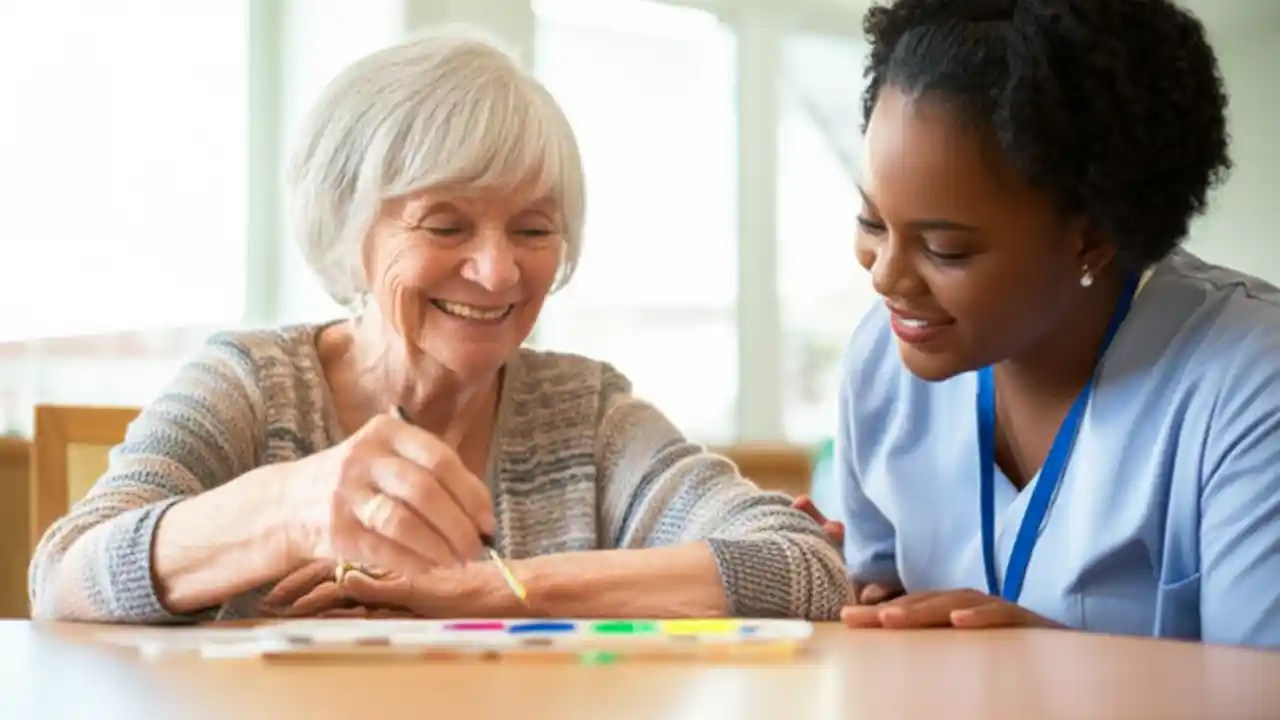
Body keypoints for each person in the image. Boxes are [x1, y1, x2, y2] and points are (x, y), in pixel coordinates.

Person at [28, 32, 852, 623]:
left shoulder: (584, 411)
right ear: (351, 233)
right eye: (445, 226)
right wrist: (290, 510)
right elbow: (63, 573)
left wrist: (482, 589)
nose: (498, 273)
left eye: (532, 230)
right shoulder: (254, 384)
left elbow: (802, 565)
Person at [835, 0, 1280, 648]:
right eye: (873, 222)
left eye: (945, 250)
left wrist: (1056, 666)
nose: (885, 278)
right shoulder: (882, 362)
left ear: (1092, 238)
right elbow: (876, 591)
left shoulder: (1249, 382)